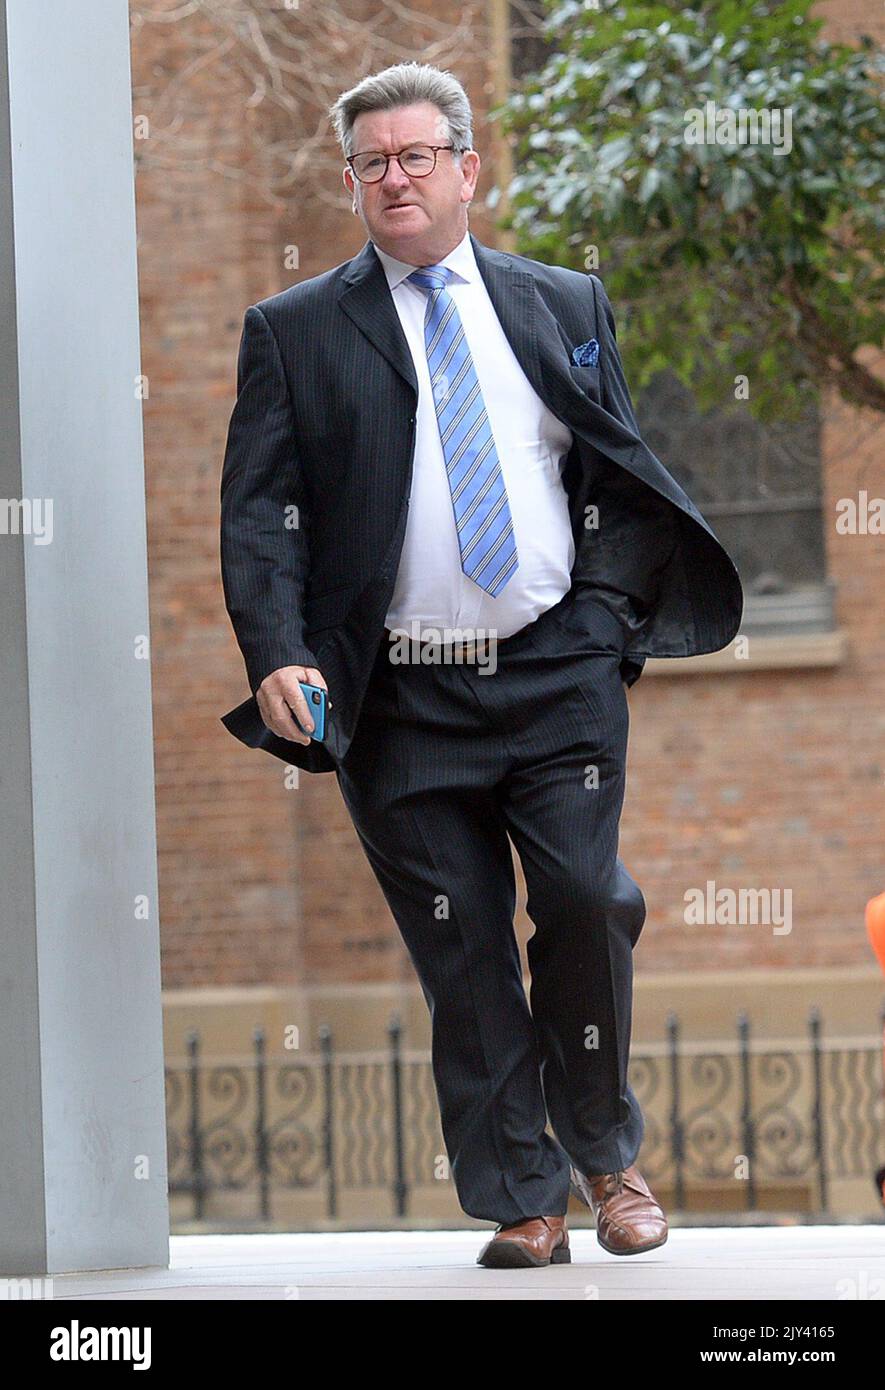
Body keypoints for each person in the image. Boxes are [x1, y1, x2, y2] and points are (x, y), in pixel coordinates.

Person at [219, 61, 743, 1267]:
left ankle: (609, 1154)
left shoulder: (563, 303)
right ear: (352, 182)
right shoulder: (292, 333)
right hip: (397, 694)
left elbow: (616, 475)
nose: (393, 178)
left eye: (414, 156)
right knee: (461, 946)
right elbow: (260, 513)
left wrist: (610, 620)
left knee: (584, 901)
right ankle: (525, 1196)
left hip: (557, 670)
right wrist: (278, 652)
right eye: (370, 163)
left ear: (468, 167)